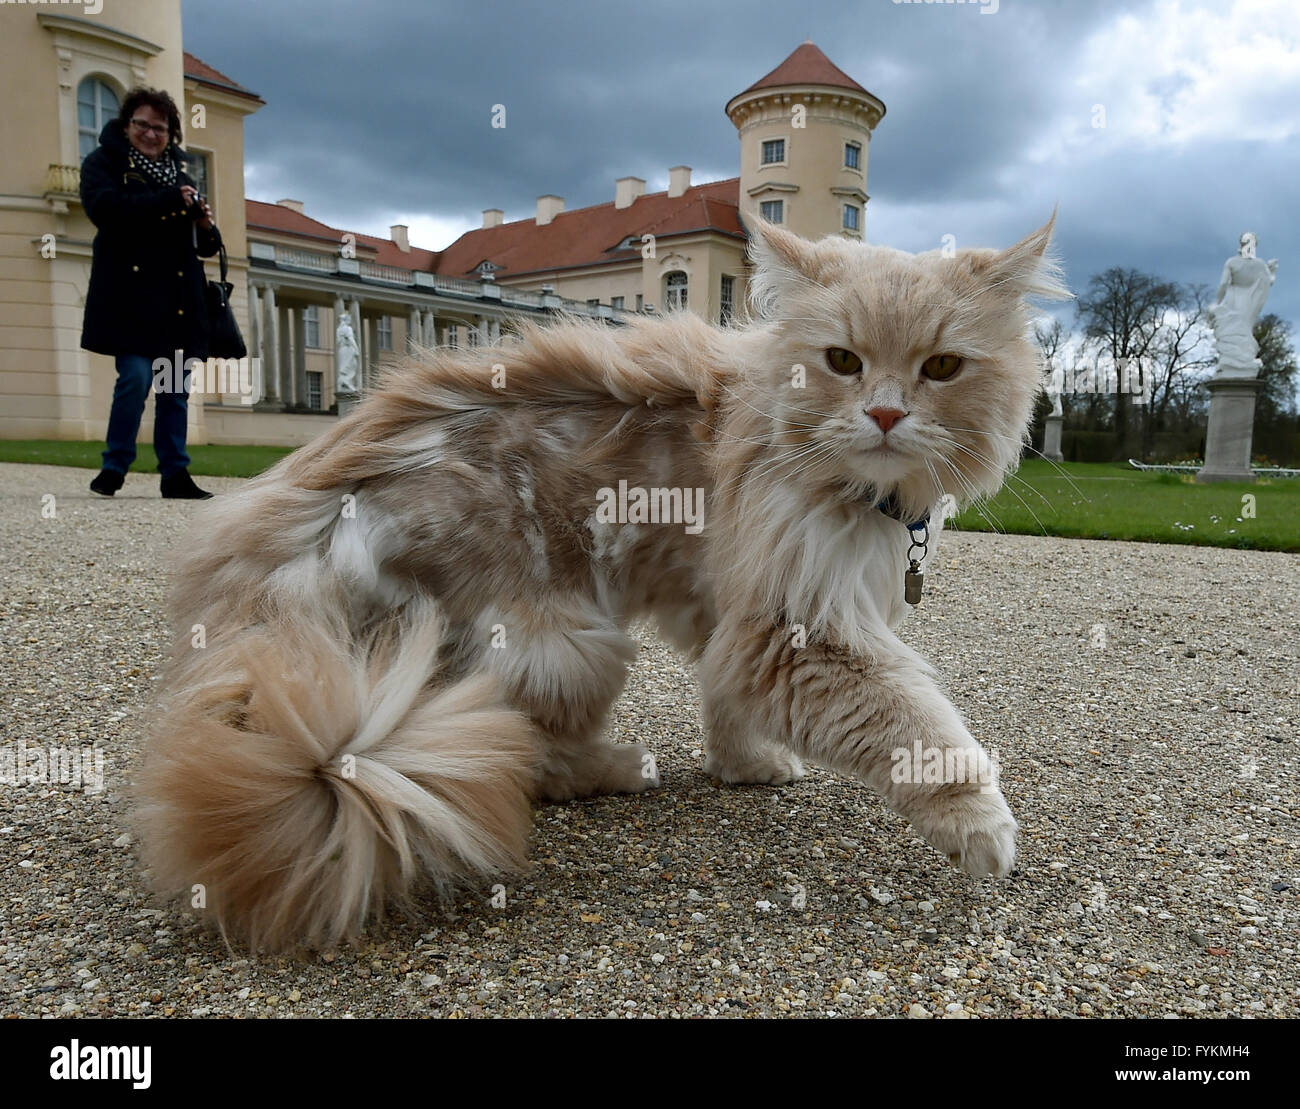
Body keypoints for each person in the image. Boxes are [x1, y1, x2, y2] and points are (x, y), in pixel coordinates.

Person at [80, 87, 218, 499]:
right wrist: (170, 202)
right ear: (127, 125)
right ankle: (114, 466)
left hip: (177, 300)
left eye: (160, 128)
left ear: (170, 134)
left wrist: (205, 225)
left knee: (175, 390)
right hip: (130, 298)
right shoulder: (103, 164)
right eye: (142, 124)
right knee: (135, 379)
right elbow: (105, 210)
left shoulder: (182, 177)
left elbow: (205, 248)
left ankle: (175, 474)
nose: (151, 134)